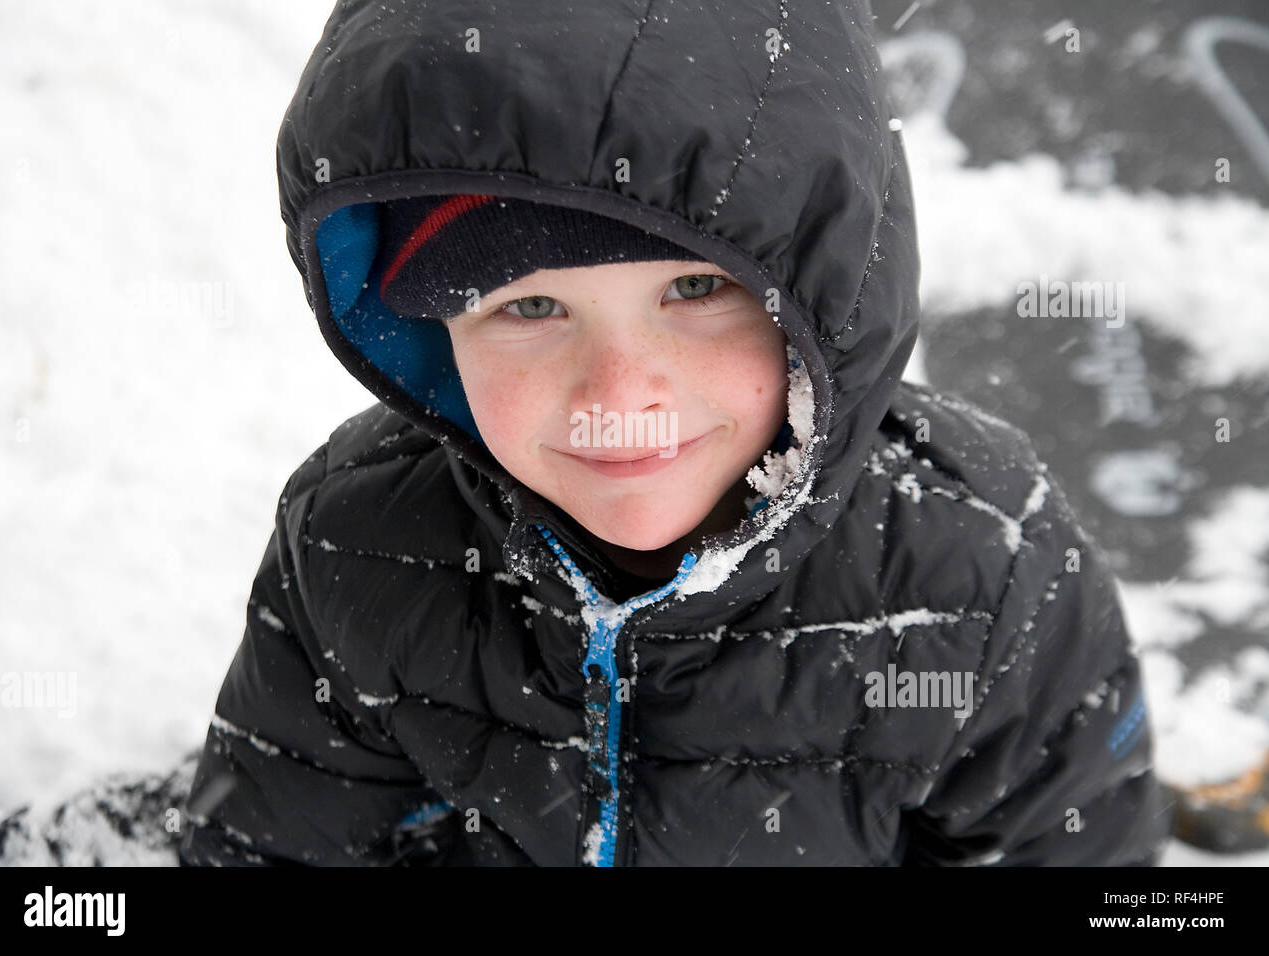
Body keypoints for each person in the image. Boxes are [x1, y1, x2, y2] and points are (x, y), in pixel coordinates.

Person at [178, 0, 1173, 866]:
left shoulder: (982, 574)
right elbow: (266, 842)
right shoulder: (357, 542)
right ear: (433, 333)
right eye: (527, 309)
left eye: (696, 289)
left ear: (823, 300)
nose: (615, 393)